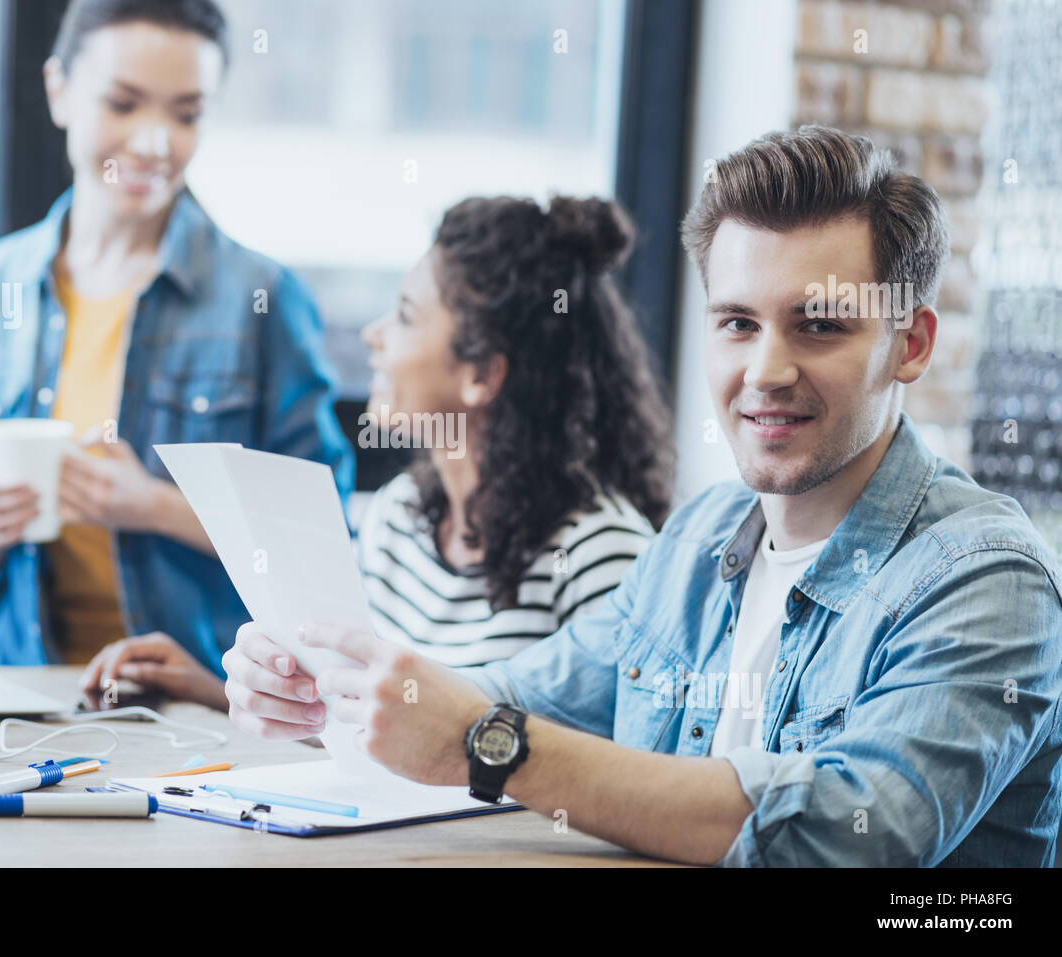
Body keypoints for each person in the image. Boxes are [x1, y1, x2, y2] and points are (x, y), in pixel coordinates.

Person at [221, 126, 1062, 867]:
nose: (765, 371)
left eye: (819, 324)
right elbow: (513, 692)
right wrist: (332, 691)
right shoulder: (695, 544)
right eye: (737, 323)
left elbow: (851, 833)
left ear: (909, 343)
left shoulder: (988, 582)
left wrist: (490, 748)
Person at [81, 194, 674, 698]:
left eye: (407, 317)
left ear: (482, 376)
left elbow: (602, 775)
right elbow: (372, 733)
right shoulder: (398, 519)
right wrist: (202, 687)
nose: (373, 335)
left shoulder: (602, 555)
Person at [0, 0, 353, 709]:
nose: (155, 142)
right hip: (28, 706)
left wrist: (153, 506)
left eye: (186, 115)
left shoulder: (261, 298)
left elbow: (321, 540)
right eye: (123, 103)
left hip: (198, 715)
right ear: (59, 90)